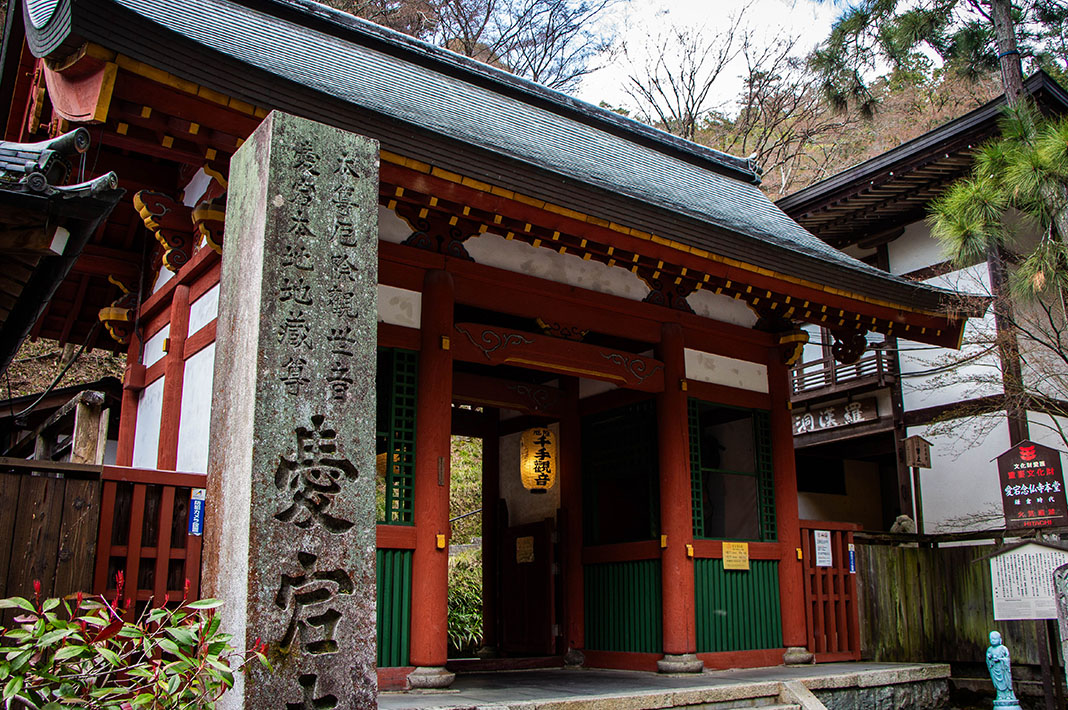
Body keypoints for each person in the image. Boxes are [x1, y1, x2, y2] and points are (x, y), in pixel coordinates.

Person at [986, 631, 1022, 709]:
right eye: (991, 639)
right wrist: (990, 659)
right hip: (995, 670)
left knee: (1006, 682)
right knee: (998, 684)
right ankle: (1000, 696)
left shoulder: (1003, 648)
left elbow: (1007, 659)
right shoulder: (990, 649)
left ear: (1000, 639)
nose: (993, 641)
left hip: (1003, 670)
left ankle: (1009, 696)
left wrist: (1000, 659)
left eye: (995, 639)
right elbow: (989, 662)